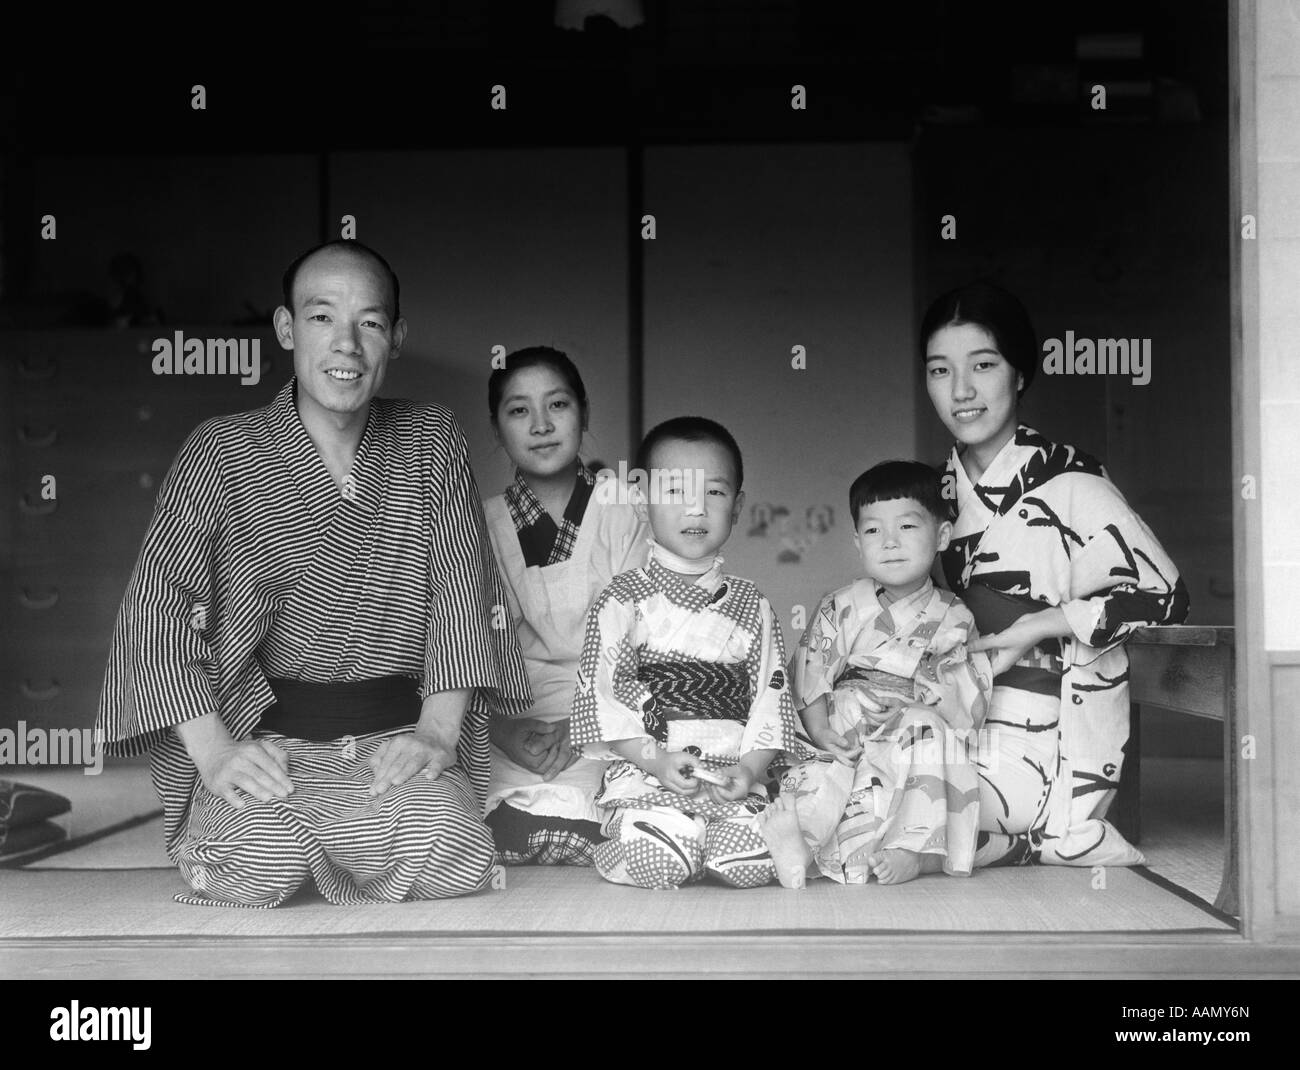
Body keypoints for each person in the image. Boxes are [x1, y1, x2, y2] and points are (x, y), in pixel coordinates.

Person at [96, 239, 532, 907]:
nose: (347, 346)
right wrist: (216, 755)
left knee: (456, 852)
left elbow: (461, 596)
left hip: (393, 741)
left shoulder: (432, 438)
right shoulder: (220, 450)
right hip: (265, 741)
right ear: (286, 329)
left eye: (371, 322)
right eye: (323, 317)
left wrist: (436, 733)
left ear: (396, 337)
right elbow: (157, 609)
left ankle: (354, 841)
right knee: (260, 858)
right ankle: (292, 845)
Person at [921, 281, 1189, 868]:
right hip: (955, 712)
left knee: (897, 805)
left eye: (983, 365)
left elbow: (1165, 596)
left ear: (1019, 374)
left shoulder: (1071, 485)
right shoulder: (931, 495)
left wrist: (1042, 623)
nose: (961, 391)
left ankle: (1022, 829)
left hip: (1041, 731)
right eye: (940, 371)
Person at [569, 417, 806, 890]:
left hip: (730, 776)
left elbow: (771, 700)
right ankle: (660, 841)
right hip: (650, 773)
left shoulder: (752, 603)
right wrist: (655, 760)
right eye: (676, 490)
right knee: (664, 857)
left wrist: (749, 769)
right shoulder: (622, 599)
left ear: (737, 507)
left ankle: (710, 843)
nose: (696, 508)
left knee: (750, 860)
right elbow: (603, 704)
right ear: (642, 502)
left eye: (715, 493)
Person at [761, 461, 993, 887]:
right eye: (872, 531)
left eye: (906, 527)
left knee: (926, 740)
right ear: (856, 541)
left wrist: (918, 702)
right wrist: (818, 729)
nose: (889, 542)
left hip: (907, 724)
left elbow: (965, 694)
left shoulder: (953, 616)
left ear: (942, 535)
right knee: (823, 773)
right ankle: (803, 847)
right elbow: (811, 670)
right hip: (843, 721)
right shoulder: (842, 604)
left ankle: (912, 848)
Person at [480, 347, 648, 865]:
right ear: (497, 428)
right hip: (516, 716)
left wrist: (586, 723)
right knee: (470, 787)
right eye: (518, 410)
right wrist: (500, 729)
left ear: (584, 412)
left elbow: (646, 638)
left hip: (615, 710)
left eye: (557, 405)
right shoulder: (478, 522)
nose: (540, 425)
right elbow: (460, 643)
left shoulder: (624, 507)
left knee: (629, 778)